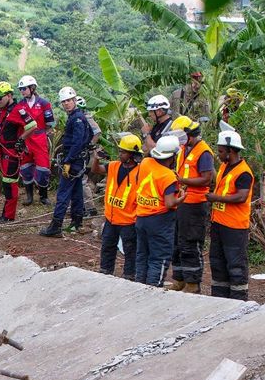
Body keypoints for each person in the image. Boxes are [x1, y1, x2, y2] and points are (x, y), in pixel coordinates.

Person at [168, 116, 215, 293]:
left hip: (195, 204)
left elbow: (207, 178)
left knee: (190, 243)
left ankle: (193, 283)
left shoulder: (203, 152)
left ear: (190, 134)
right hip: (181, 202)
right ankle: (179, 279)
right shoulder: (183, 148)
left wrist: (183, 180)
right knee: (177, 243)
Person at [206, 130, 254, 300]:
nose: (218, 154)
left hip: (234, 227)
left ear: (230, 151)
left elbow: (241, 197)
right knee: (218, 263)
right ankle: (220, 299)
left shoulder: (244, 172)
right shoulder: (225, 167)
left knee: (235, 265)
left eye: (220, 151)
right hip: (219, 223)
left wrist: (215, 198)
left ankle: (238, 300)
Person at [40, 87, 93, 237]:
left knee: (63, 193)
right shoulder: (77, 116)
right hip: (77, 160)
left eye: (69, 101)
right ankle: (76, 223)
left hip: (73, 160)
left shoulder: (77, 119)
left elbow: (77, 142)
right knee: (76, 192)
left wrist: (68, 161)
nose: (66, 104)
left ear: (75, 100)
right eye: (64, 102)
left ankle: (56, 226)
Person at [134, 136, 186, 287]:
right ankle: (152, 291)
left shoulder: (146, 163)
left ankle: (139, 288)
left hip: (142, 217)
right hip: (160, 220)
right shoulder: (168, 176)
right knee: (159, 258)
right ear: (172, 156)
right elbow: (170, 202)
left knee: (142, 256)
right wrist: (181, 198)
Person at [0, 81, 36, 222]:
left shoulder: (19, 110)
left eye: (0, 98)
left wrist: (21, 139)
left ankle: (8, 216)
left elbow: (32, 125)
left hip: (10, 152)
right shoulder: (3, 109)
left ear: (9, 95)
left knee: (9, 183)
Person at [91, 134, 143, 280]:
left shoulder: (140, 172)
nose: (120, 154)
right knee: (107, 247)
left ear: (132, 154)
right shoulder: (114, 166)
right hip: (111, 218)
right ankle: (105, 272)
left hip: (128, 221)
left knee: (130, 250)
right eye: (120, 151)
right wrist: (96, 158)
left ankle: (129, 276)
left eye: (123, 152)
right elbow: (96, 170)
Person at [16, 75, 55, 206]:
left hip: (39, 139)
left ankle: (43, 196)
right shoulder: (20, 105)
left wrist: (46, 134)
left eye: (24, 88)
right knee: (25, 168)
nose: (22, 91)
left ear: (32, 88)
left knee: (43, 169)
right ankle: (29, 196)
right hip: (25, 139)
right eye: (20, 89)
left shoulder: (44, 104)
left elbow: (50, 123)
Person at [76, 95, 102, 217]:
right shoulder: (80, 119)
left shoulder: (87, 119)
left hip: (86, 155)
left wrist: (90, 145)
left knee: (82, 180)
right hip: (82, 153)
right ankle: (81, 206)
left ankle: (90, 208)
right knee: (79, 180)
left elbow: (97, 132)